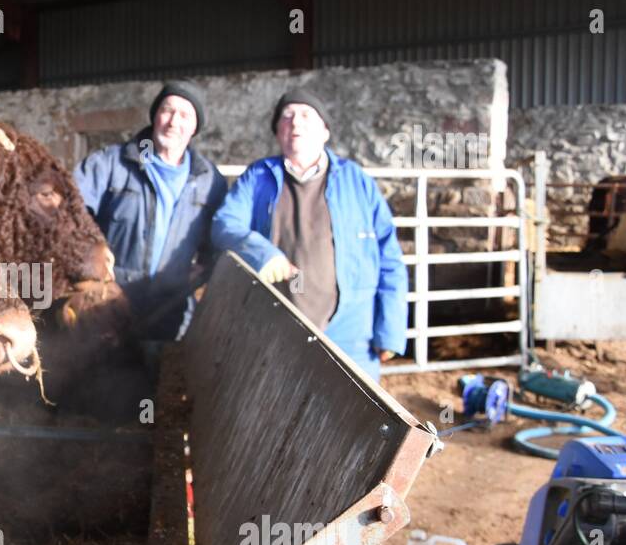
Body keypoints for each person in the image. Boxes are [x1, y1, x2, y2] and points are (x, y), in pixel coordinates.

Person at [210, 89, 407, 379]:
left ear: (325, 131)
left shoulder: (356, 181)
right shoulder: (259, 176)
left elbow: (390, 257)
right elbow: (224, 224)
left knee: (353, 417)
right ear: (278, 132)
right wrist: (261, 253)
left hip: (350, 333)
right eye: (286, 117)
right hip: (277, 327)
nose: (295, 123)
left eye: (306, 115)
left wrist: (390, 331)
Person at [74, 80, 228, 342]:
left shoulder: (208, 180)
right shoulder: (112, 163)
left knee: (161, 377)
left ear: (194, 128)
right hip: (110, 302)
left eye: (184, 115)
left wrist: (202, 268)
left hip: (170, 306)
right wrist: (91, 263)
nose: (173, 121)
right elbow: (69, 212)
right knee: (107, 378)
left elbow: (220, 234)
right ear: (155, 116)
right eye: (167, 110)